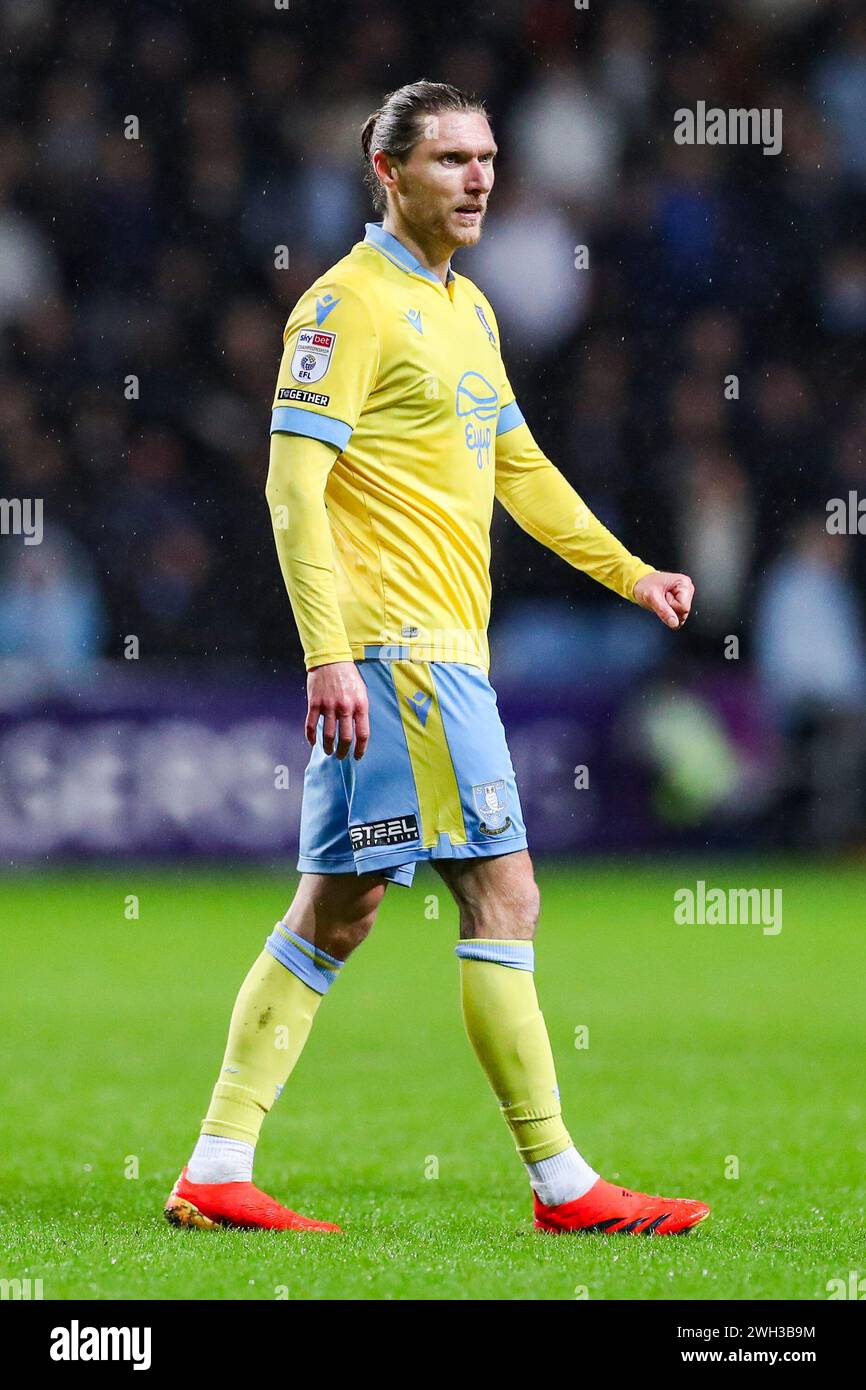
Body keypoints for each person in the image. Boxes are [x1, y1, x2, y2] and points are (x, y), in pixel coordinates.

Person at [165, 81, 707, 1237]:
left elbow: (518, 464)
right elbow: (291, 486)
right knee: (503, 894)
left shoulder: (469, 311)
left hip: (435, 652)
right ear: (386, 167)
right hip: (399, 655)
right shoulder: (347, 304)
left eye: (487, 158)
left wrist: (627, 569)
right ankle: (562, 1184)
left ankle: (216, 1164)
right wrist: (328, 655)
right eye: (450, 158)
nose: (476, 180)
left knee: (334, 913)